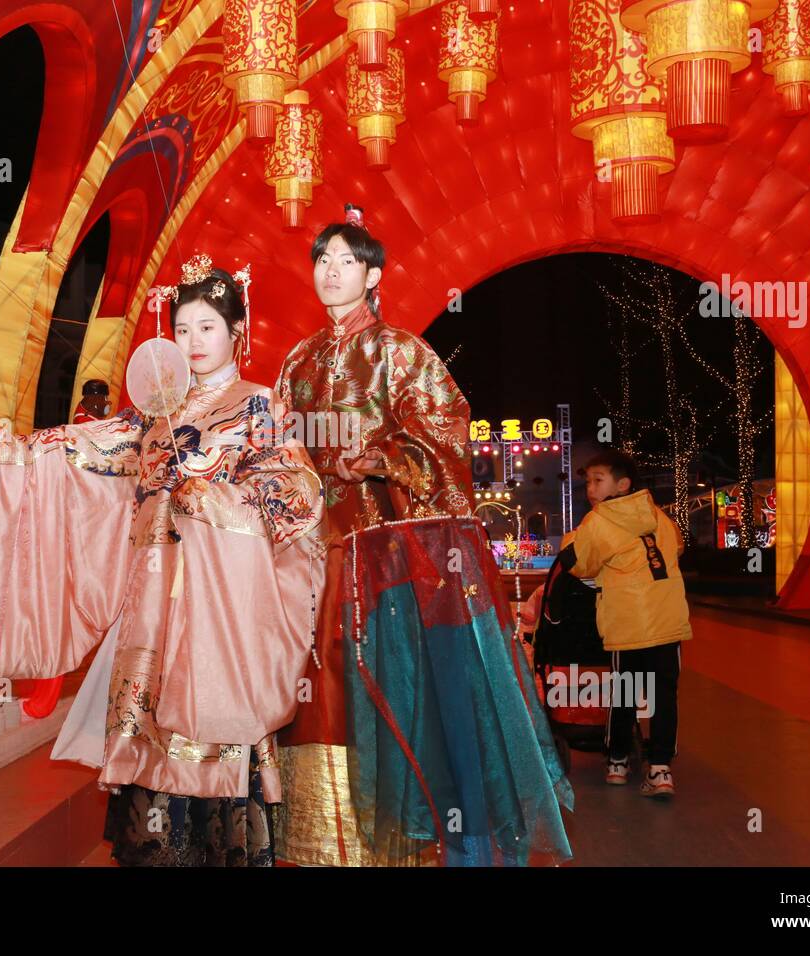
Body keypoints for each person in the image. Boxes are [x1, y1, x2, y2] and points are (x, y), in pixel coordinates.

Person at [0, 255, 324, 865]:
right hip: (151, 598)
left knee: (209, 721)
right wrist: (6, 445)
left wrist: (212, 496)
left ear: (237, 331)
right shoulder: (155, 410)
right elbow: (83, 447)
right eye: (183, 328)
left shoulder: (260, 406)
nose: (194, 341)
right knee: (148, 721)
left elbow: (298, 495)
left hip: (219, 601)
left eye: (208, 327)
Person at [273, 205, 572, 867]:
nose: (331, 271)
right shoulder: (298, 359)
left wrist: (383, 458)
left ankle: (408, 837)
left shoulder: (402, 353)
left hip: (387, 562)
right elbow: (277, 444)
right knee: (318, 688)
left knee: (398, 694)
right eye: (322, 260)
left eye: (346, 261)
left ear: (373, 275)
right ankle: (324, 839)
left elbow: (447, 432)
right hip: (312, 557)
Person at [556, 449, 692, 798]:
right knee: (663, 695)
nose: (590, 488)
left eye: (598, 480)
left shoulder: (598, 521)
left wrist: (570, 539)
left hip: (626, 622)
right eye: (588, 482)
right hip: (667, 618)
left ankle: (617, 762)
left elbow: (579, 563)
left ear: (622, 484)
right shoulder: (659, 516)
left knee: (626, 692)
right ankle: (660, 769)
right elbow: (677, 549)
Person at [17, 377, 114, 719]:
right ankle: (45, 699)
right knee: (68, 619)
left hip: (81, 536)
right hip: (82, 539)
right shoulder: (84, 432)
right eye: (99, 398)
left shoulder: (81, 430)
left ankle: (48, 699)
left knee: (64, 618)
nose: (103, 404)